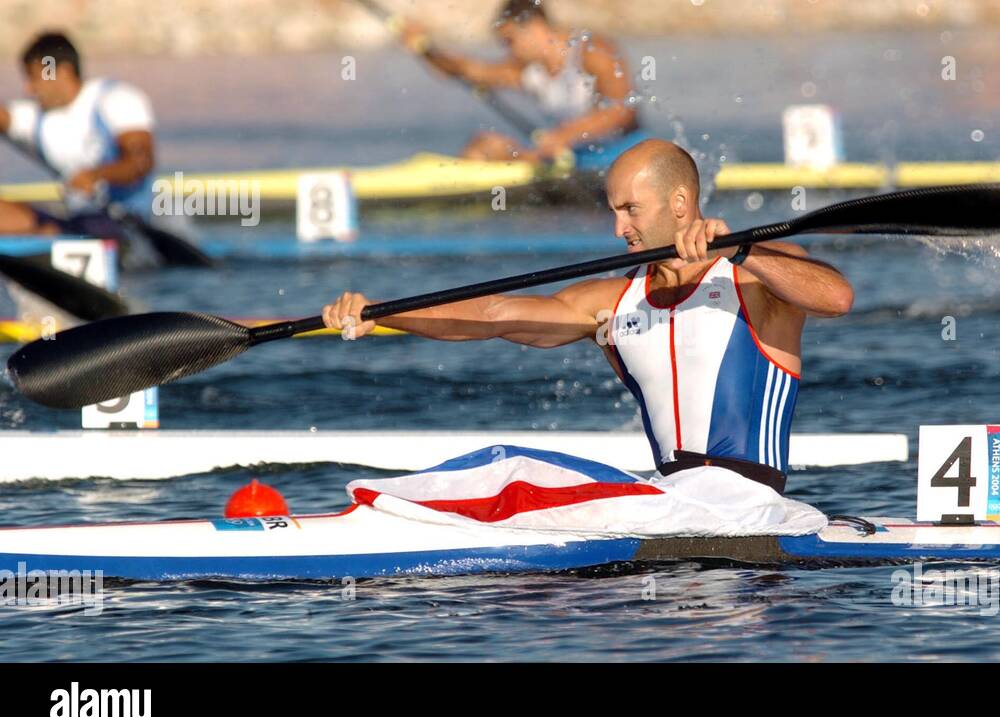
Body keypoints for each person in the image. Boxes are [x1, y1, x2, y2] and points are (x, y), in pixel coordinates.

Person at [323, 139, 854, 493]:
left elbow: (836, 297)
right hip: (670, 505)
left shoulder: (752, 280)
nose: (618, 228)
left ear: (679, 202)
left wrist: (744, 250)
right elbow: (495, 313)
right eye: (613, 212)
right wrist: (385, 315)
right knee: (508, 466)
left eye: (630, 210)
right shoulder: (611, 302)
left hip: (753, 511)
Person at [401, 0, 643, 171]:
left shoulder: (594, 51)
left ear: (535, 28)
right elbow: (467, 71)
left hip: (619, 154)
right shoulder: (526, 69)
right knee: (483, 148)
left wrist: (562, 136)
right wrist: (424, 48)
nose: (508, 51)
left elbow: (622, 110)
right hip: (571, 156)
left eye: (510, 41)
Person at [0, 31, 156, 237]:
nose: (28, 88)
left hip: (126, 221)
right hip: (75, 219)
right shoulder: (34, 117)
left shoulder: (116, 100)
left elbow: (140, 163)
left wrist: (95, 175)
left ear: (63, 72)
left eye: (34, 77)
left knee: (57, 230)